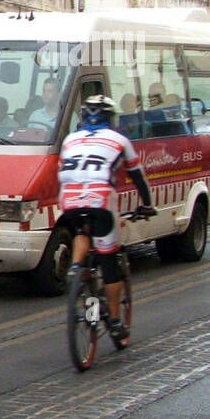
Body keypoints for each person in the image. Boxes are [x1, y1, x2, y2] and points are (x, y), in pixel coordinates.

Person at [58, 95, 156, 346]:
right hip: (101, 201)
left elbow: (65, 171)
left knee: (82, 229)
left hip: (68, 201)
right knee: (108, 261)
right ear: (110, 118)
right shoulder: (120, 140)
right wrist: (147, 205)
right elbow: (138, 177)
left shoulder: (70, 140)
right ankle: (114, 321)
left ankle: (77, 270)